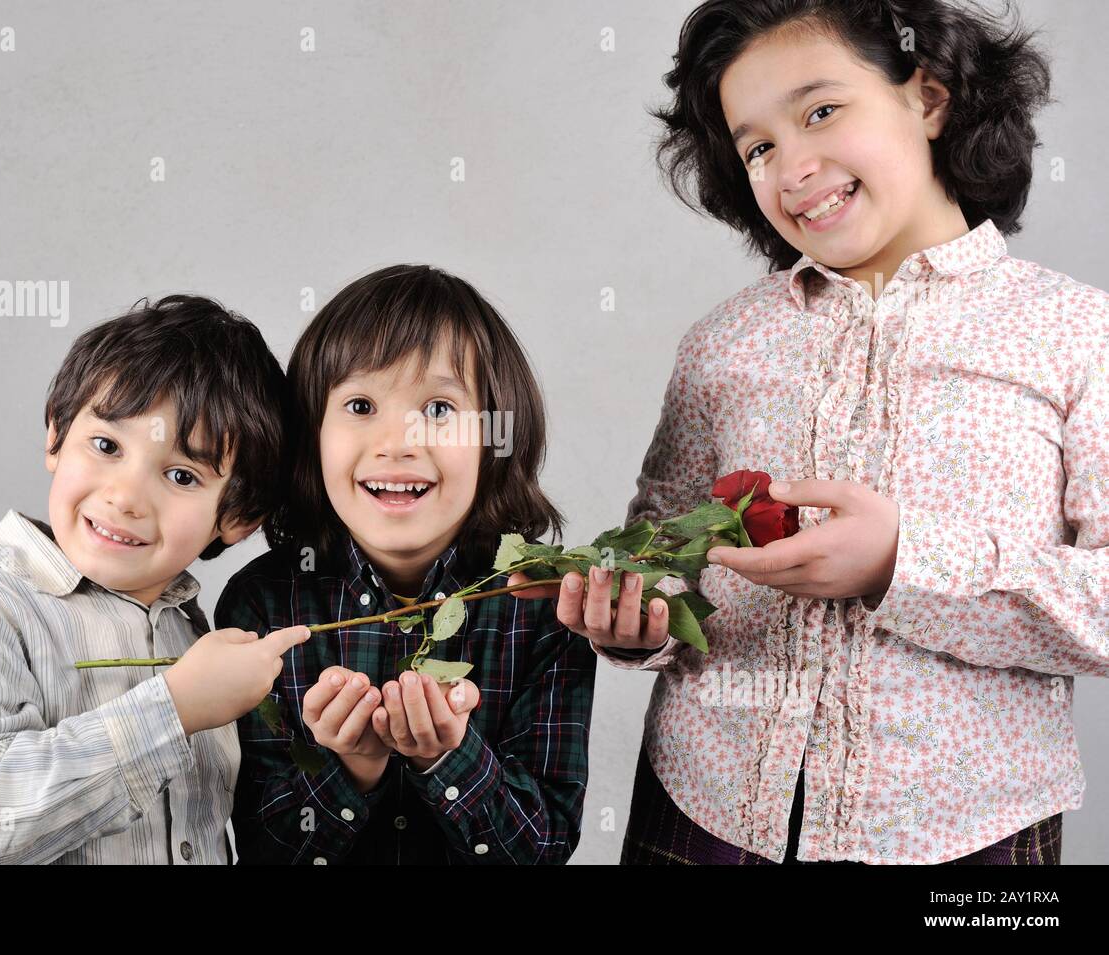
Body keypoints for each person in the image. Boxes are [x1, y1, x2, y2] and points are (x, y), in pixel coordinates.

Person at [514, 0, 1101, 864]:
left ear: (929, 97)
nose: (793, 168)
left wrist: (902, 564)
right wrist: (637, 621)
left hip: (969, 838)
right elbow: (665, 556)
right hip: (702, 819)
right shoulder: (721, 343)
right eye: (757, 147)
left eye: (821, 111)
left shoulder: (1079, 333)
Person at [0, 294, 310, 863]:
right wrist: (172, 710)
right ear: (56, 434)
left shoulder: (197, 639)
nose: (125, 496)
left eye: (181, 475)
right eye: (106, 446)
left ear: (236, 517)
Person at [218, 264, 596, 863]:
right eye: (361, 404)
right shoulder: (263, 602)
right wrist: (351, 765)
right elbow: (263, 849)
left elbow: (542, 847)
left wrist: (448, 758)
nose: (397, 443)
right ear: (310, 434)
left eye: (440, 409)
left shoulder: (541, 604)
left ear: (495, 439)